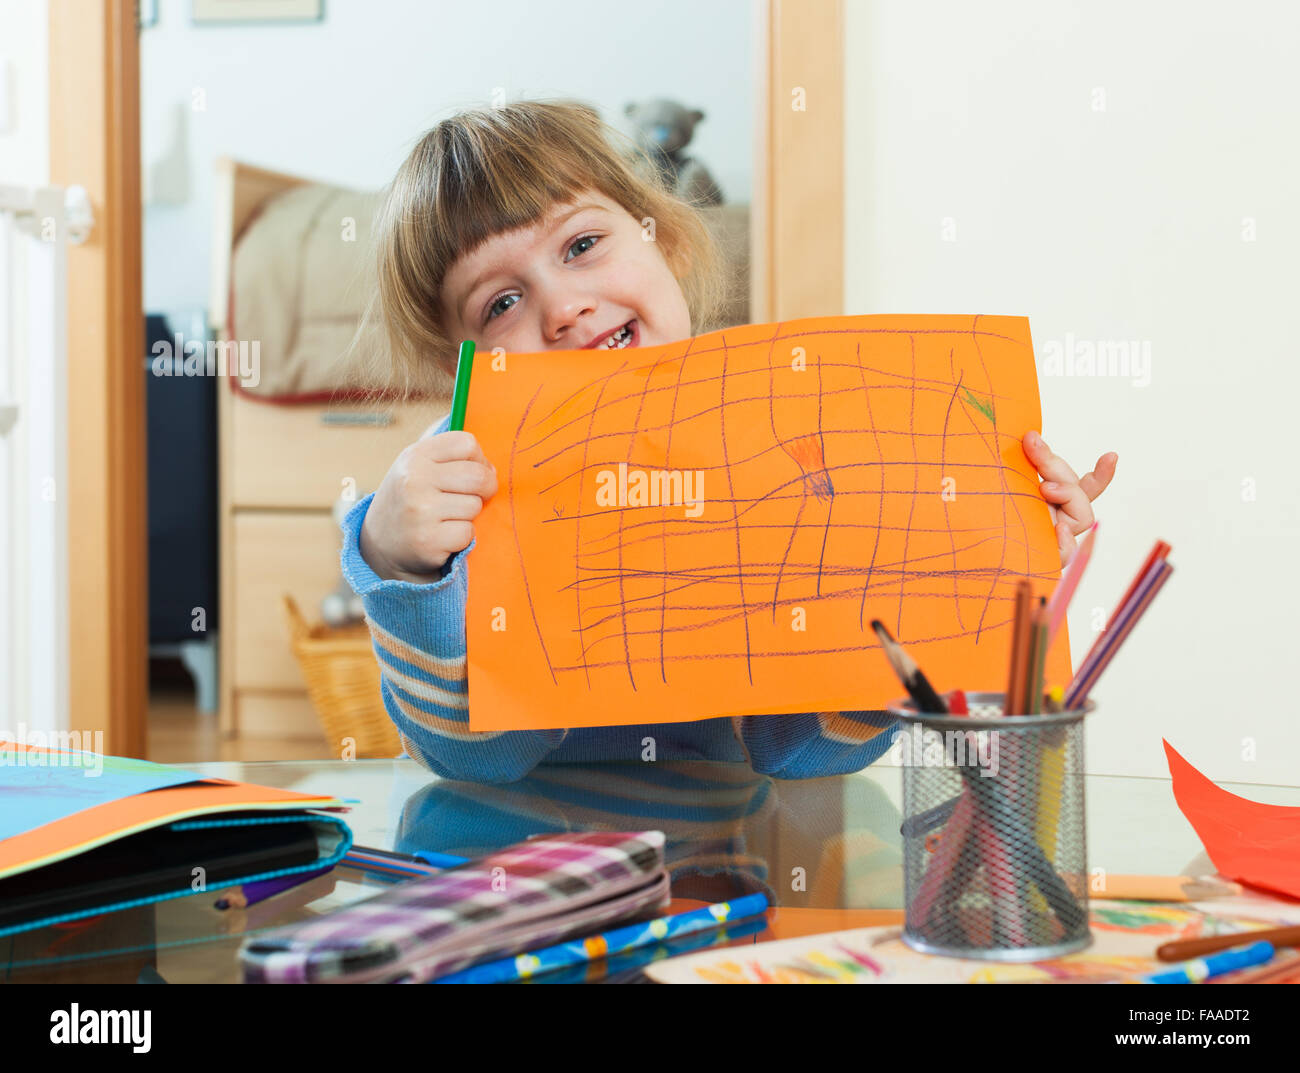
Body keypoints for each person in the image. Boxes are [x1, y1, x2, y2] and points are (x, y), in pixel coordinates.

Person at [342, 100, 1117, 783]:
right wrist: (397, 559)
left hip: (732, 867)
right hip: (519, 872)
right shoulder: (454, 482)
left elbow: (803, 752)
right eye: (503, 300)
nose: (565, 308)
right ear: (463, 367)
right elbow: (480, 758)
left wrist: (999, 544)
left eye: (580, 246)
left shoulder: (773, 428)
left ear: (666, 242)